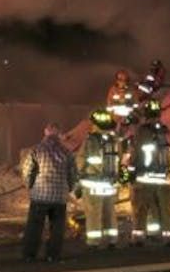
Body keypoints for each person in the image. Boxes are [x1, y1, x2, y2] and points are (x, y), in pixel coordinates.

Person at [21, 123, 78, 262]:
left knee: (34, 226)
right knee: (57, 228)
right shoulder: (67, 152)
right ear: (59, 134)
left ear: (45, 133)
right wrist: (68, 188)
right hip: (59, 197)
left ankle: (30, 255)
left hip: (40, 196)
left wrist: (30, 186)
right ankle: (52, 255)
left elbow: (27, 171)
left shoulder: (36, 150)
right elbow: (73, 174)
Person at [126, 100, 170, 246]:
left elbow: (136, 153)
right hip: (163, 178)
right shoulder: (166, 131)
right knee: (163, 209)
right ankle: (166, 237)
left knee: (141, 209)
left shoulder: (142, 131)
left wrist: (131, 171)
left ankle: (138, 238)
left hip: (145, 178)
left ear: (146, 115)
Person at [77, 109, 121, 249]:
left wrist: (79, 177)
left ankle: (94, 241)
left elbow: (81, 159)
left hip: (93, 184)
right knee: (109, 212)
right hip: (110, 183)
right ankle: (112, 239)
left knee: (93, 213)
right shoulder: (114, 140)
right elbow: (119, 160)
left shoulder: (91, 140)